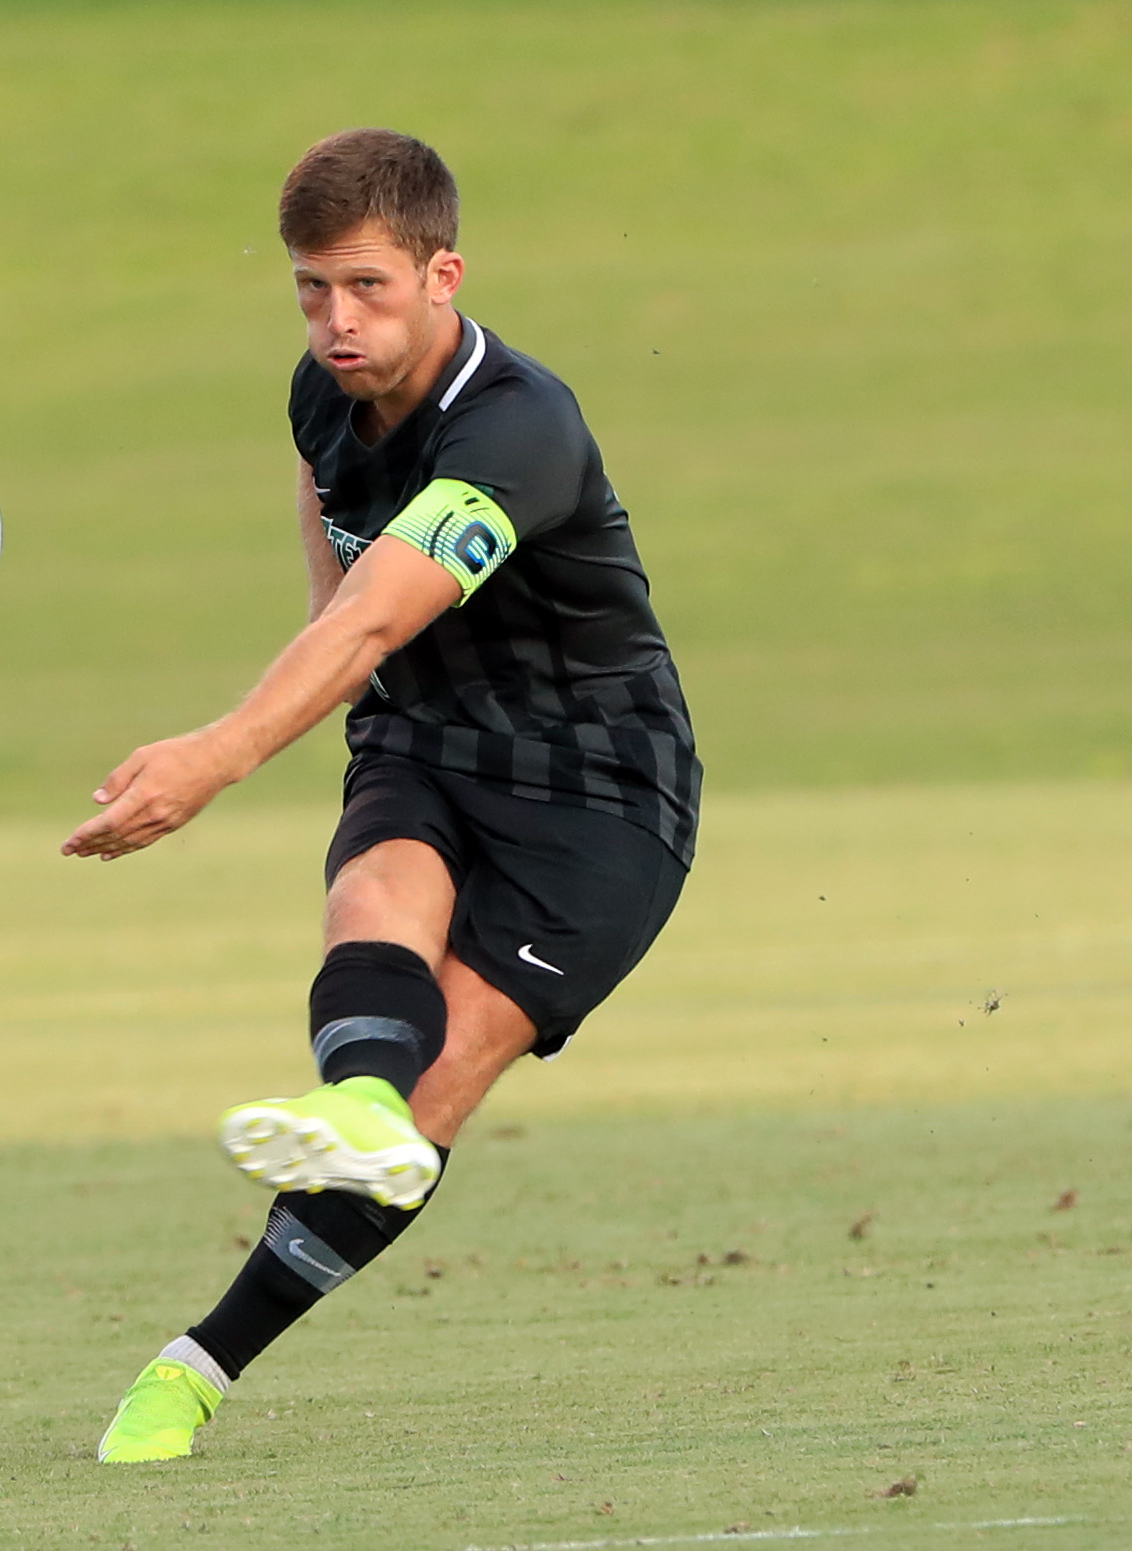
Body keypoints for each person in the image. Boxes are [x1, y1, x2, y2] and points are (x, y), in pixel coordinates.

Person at [62, 128, 702, 1463]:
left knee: (439, 1081)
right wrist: (347, 708)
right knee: (373, 899)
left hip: (597, 789)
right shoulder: (321, 394)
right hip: (423, 730)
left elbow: (373, 616)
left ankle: (197, 1365)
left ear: (441, 276)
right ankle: (354, 1100)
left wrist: (218, 755)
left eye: (366, 286)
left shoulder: (519, 427)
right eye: (311, 289)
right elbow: (337, 593)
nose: (335, 320)